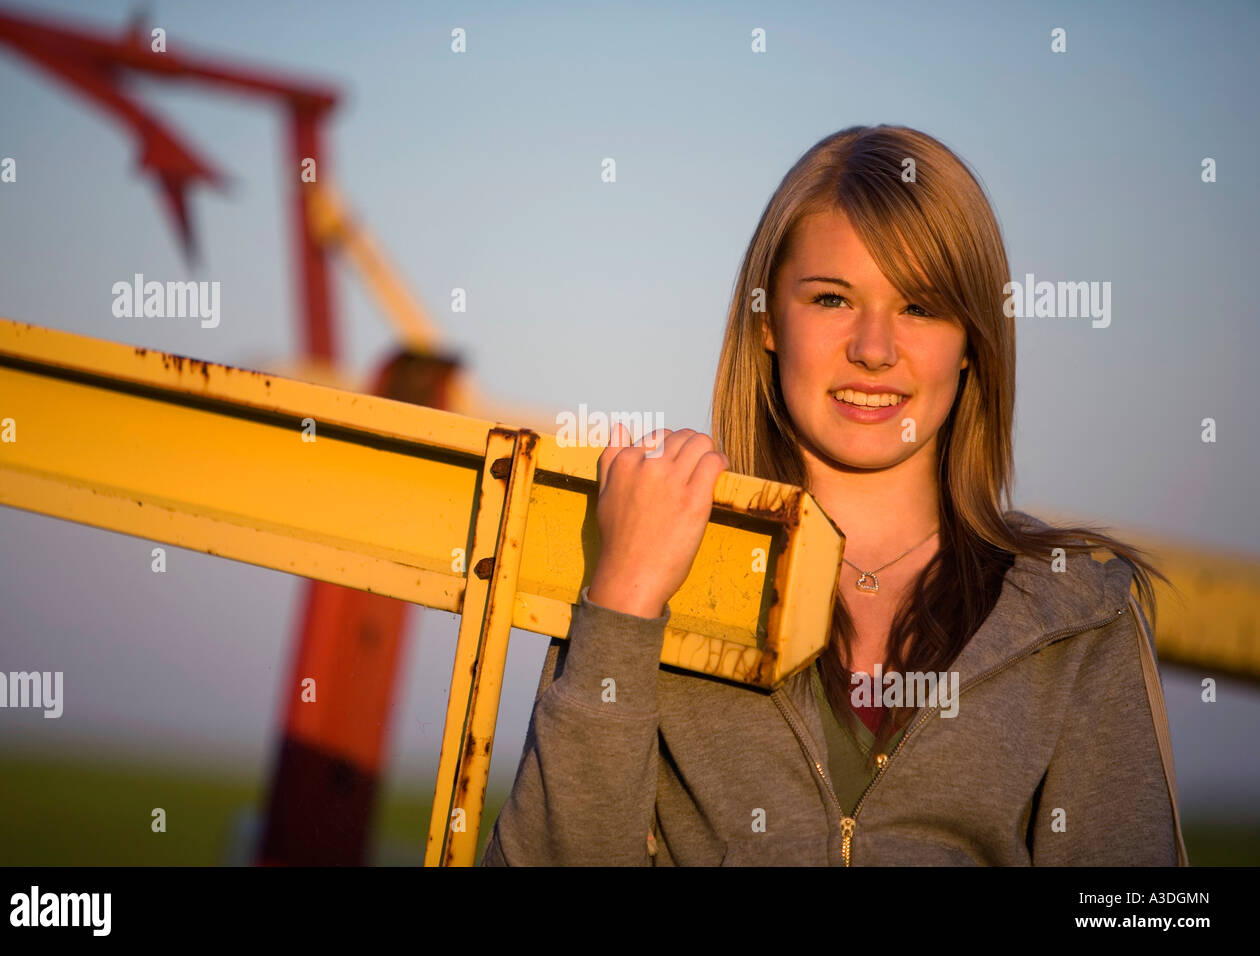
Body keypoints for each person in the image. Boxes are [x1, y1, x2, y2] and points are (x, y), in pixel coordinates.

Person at [480, 124, 1188, 866]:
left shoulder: (1075, 617)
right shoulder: (652, 563)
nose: (875, 349)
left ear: (972, 341)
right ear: (766, 322)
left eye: (920, 307)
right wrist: (622, 606)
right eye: (831, 299)